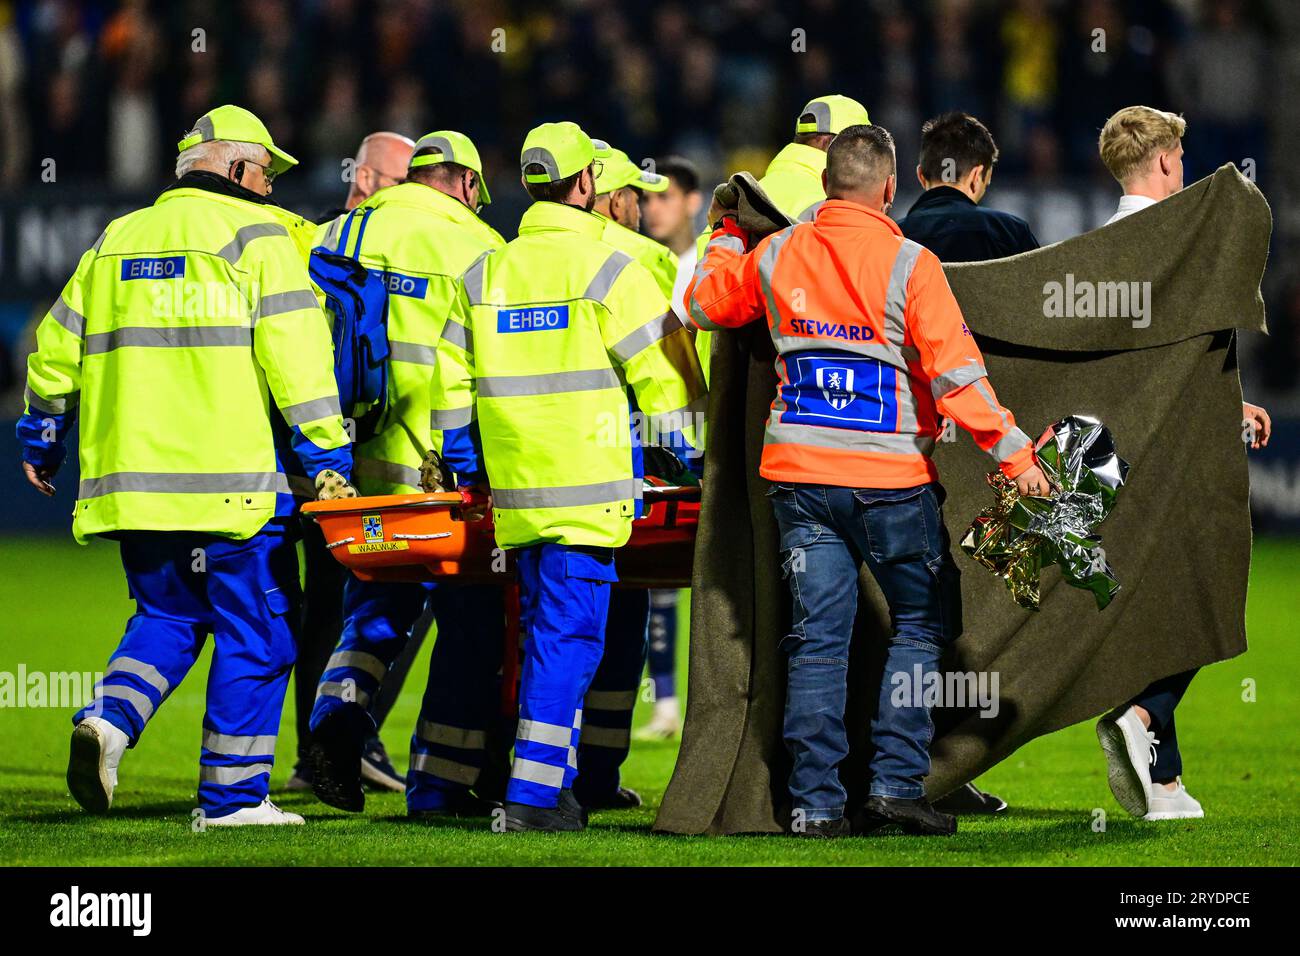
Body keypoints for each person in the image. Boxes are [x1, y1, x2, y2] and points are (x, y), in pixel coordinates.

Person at [685, 124, 1049, 838]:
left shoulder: (776, 253)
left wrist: (727, 233)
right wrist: (1017, 458)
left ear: (825, 186)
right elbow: (958, 380)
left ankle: (815, 804)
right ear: (890, 188)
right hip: (890, 483)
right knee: (919, 626)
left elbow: (703, 305)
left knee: (818, 641)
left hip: (798, 479)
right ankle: (893, 787)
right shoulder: (912, 264)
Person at [18, 104, 354, 826]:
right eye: (265, 172)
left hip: (132, 486)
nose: (270, 187)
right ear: (235, 168)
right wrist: (328, 454)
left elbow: (53, 351)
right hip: (230, 486)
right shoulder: (260, 238)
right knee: (260, 632)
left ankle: (108, 722)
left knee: (167, 615)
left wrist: (42, 434)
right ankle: (233, 799)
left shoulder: (116, 238)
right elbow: (298, 360)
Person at [429, 121, 706, 831]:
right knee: (566, 644)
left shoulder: (484, 272)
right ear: (588, 185)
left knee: (542, 641)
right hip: (592, 498)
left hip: (518, 498)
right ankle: (530, 799)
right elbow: (668, 386)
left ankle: (536, 789)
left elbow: (448, 393)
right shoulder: (615, 271)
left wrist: (471, 470)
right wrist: (701, 462)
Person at [307, 131, 510, 817]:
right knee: (469, 624)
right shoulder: (482, 248)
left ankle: (337, 709)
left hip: (351, 469)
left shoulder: (337, 233)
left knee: (374, 609)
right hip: (443, 475)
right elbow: (491, 368)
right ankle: (439, 785)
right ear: (468, 185)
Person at [1092, 105, 1271, 822]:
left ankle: (1164, 782)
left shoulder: (1097, 246)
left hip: (1109, 459)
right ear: (1166, 161)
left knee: (1148, 610)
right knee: (1209, 593)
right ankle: (1140, 717)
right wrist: (1226, 407)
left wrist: (1232, 403)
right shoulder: (1181, 240)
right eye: (1182, 158)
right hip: (1177, 455)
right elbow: (1185, 354)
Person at [898, 110, 1037, 816]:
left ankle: (897, 771)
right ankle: (946, 769)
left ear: (923, 174)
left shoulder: (892, 242)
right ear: (978, 175)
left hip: (900, 456)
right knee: (970, 622)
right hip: (994, 461)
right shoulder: (1012, 237)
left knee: (895, 621)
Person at [289, 130, 418, 796]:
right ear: (364, 180)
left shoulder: (316, 247)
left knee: (330, 607)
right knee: (354, 605)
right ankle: (338, 742)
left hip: (337, 458)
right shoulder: (348, 247)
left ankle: (329, 745)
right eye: (403, 183)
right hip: (346, 462)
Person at [639, 155, 705, 740]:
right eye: (645, 198)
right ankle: (663, 700)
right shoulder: (639, 265)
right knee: (654, 567)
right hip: (656, 429)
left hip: (704, 428)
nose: (650, 207)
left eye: (662, 196)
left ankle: (702, 696)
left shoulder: (708, 263)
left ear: (691, 200)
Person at [897, 111, 1039, 263]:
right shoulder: (1011, 234)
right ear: (976, 177)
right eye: (986, 182)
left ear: (921, 176)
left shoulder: (892, 238)